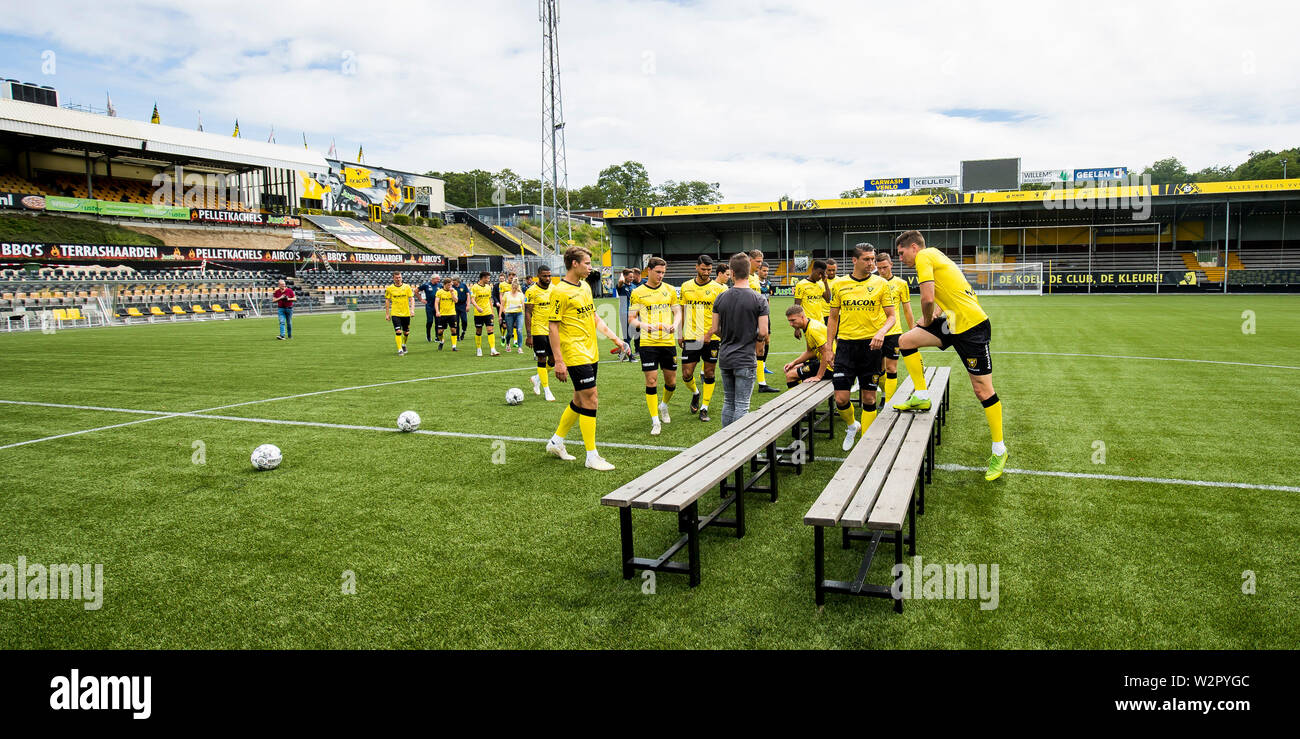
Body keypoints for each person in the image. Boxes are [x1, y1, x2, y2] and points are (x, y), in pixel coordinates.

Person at [891, 230, 1007, 481]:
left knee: (983, 390)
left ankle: (999, 449)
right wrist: (926, 322)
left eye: (901, 253)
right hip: (952, 322)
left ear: (913, 247)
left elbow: (928, 297)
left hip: (972, 327)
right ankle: (921, 396)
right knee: (906, 341)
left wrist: (928, 318)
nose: (900, 259)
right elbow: (946, 294)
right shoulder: (935, 255)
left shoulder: (924, 257)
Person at [545, 246, 627, 471]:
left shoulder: (585, 286)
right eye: (588, 263)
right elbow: (553, 327)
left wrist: (615, 339)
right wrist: (559, 360)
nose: (591, 267)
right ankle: (592, 456)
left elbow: (593, 317)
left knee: (580, 400)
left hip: (591, 351)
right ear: (575, 263)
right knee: (591, 398)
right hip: (574, 352)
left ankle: (556, 442)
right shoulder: (559, 291)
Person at [826, 244, 896, 451]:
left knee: (869, 397)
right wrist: (829, 348)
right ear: (854, 260)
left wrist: (881, 333)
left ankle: (866, 444)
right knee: (841, 398)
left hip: (871, 348)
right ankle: (851, 425)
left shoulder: (881, 284)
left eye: (872, 259)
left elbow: (891, 316)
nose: (871, 263)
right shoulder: (839, 285)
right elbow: (832, 318)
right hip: (846, 347)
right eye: (866, 259)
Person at [702, 253, 769, 428]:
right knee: (742, 405)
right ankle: (737, 444)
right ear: (749, 272)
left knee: (728, 401)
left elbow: (715, 329)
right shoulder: (759, 299)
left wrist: (728, 337)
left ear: (731, 272)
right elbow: (763, 331)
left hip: (725, 357)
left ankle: (725, 441)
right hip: (745, 358)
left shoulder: (721, 297)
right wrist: (751, 337)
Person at [628, 256, 681, 436]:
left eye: (663, 273)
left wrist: (676, 324)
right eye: (658, 272)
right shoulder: (638, 292)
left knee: (671, 382)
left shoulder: (670, 290)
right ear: (648, 271)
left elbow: (677, 312)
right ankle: (655, 420)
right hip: (648, 342)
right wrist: (645, 326)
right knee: (651, 381)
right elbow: (632, 319)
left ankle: (664, 405)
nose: (661, 276)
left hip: (667, 342)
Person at [679, 255, 726, 422]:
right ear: (696, 267)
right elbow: (682, 311)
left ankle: (704, 408)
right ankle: (695, 393)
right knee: (686, 373)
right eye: (703, 269)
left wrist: (714, 333)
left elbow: (723, 314)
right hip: (691, 337)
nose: (706, 272)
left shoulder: (719, 289)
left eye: (709, 270)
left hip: (712, 337)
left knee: (709, 372)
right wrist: (679, 332)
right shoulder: (686, 287)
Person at [874, 249, 918, 406]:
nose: (882, 271)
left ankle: (888, 401)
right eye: (879, 268)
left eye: (885, 267)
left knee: (892, 369)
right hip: (875, 333)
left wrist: (913, 331)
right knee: (878, 371)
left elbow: (907, 309)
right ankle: (884, 393)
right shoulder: (873, 283)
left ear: (891, 265)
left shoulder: (901, 284)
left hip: (894, 332)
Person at [746, 251, 778, 394]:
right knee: (746, 348)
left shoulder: (754, 278)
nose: (760, 264)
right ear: (750, 260)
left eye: (761, 262)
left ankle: (762, 383)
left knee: (760, 348)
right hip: (747, 318)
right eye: (758, 262)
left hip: (759, 317)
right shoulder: (744, 275)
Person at [524, 264, 557, 401]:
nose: (548, 278)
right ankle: (547, 390)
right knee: (542, 359)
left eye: (549, 275)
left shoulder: (555, 289)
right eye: (545, 275)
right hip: (538, 329)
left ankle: (537, 378)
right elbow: (527, 313)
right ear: (538, 276)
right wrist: (529, 335)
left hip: (553, 329)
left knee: (554, 360)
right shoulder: (531, 291)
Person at [783, 304, 833, 386]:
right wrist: (793, 363)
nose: (791, 324)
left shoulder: (813, 330)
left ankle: (797, 398)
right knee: (792, 368)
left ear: (802, 317)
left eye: (793, 320)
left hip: (831, 367)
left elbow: (826, 353)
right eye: (789, 321)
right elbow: (810, 352)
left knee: (790, 375)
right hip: (823, 362)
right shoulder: (808, 326)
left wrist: (818, 376)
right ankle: (799, 394)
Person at [792, 258, 832, 338]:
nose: (820, 276)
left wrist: (825, 283)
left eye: (822, 274)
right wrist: (796, 328)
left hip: (820, 321)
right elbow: (797, 306)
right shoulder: (801, 285)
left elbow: (828, 299)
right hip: (808, 322)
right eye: (819, 273)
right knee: (816, 347)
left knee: (819, 348)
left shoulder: (820, 284)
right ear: (813, 270)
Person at [384, 271, 415, 356]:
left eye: (399, 277)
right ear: (393, 278)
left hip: (406, 313)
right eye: (396, 277)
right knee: (398, 331)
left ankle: (404, 344)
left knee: (406, 333)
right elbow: (387, 300)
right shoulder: (390, 288)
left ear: (401, 277)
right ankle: (400, 349)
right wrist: (387, 314)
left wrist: (412, 310)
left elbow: (411, 298)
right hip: (395, 313)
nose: (398, 279)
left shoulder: (407, 287)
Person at [469, 271, 500, 356]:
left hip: (488, 312)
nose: (489, 280)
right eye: (488, 278)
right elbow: (472, 299)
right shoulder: (474, 287)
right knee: (479, 330)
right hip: (478, 313)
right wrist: (477, 307)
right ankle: (479, 349)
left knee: (490, 330)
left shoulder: (488, 287)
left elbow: (489, 299)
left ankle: (493, 349)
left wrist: (492, 311)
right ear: (483, 278)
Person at [615, 269, 636, 358]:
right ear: (625, 276)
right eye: (630, 277)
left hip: (633, 313)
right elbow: (620, 281)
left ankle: (622, 349)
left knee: (633, 333)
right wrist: (621, 274)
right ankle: (630, 356)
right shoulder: (621, 286)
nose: (632, 278)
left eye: (633, 277)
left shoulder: (634, 286)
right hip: (624, 313)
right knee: (626, 336)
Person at [434, 279, 459, 350]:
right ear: (444, 285)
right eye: (448, 285)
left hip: (452, 313)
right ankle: (441, 341)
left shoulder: (454, 291)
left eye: (451, 285)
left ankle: (454, 346)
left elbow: (456, 301)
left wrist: (452, 293)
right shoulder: (439, 292)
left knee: (453, 330)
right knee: (440, 331)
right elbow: (436, 302)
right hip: (442, 314)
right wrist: (437, 311)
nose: (450, 286)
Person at [502, 278, 526, 353]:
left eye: (516, 288)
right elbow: (502, 305)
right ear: (511, 287)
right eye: (513, 288)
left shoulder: (521, 295)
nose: (514, 289)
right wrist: (503, 312)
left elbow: (523, 304)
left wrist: (523, 309)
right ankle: (508, 344)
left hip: (519, 313)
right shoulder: (506, 294)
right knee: (509, 332)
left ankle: (520, 347)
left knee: (519, 330)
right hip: (509, 314)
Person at [416, 275, 440, 342]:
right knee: (430, 321)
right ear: (433, 279)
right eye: (437, 279)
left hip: (437, 306)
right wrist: (421, 299)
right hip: (429, 306)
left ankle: (437, 336)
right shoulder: (426, 285)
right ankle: (428, 335)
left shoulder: (440, 286)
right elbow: (416, 291)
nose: (439, 280)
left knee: (438, 322)